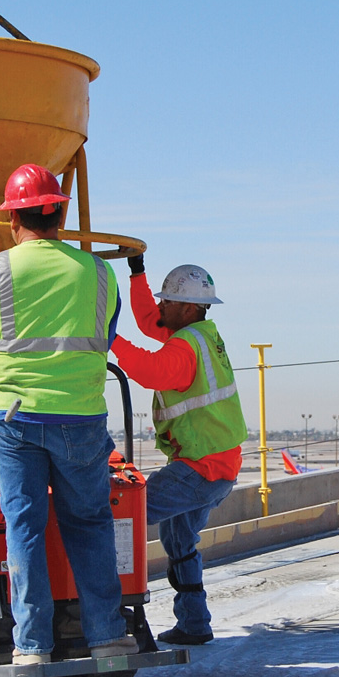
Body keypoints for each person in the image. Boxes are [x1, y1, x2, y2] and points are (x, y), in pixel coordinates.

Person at [0, 163, 137, 666]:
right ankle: (108, 636)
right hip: (81, 417)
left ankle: (32, 646)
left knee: (24, 525)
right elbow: (105, 336)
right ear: (59, 214)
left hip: (12, 421)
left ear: (14, 219)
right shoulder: (100, 272)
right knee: (91, 523)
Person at [110, 258, 246, 645]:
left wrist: (110, 341)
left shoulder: (185, 349)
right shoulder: (201, 335)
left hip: (200, 467)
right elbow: (148, 320)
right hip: (218, 464)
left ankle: (110, 621)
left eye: (166, 301)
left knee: (120, 516)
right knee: (179, 540)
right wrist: (137, 273)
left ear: (186, 308)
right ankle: (194, 624)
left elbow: (150, 370)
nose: (160, 308)